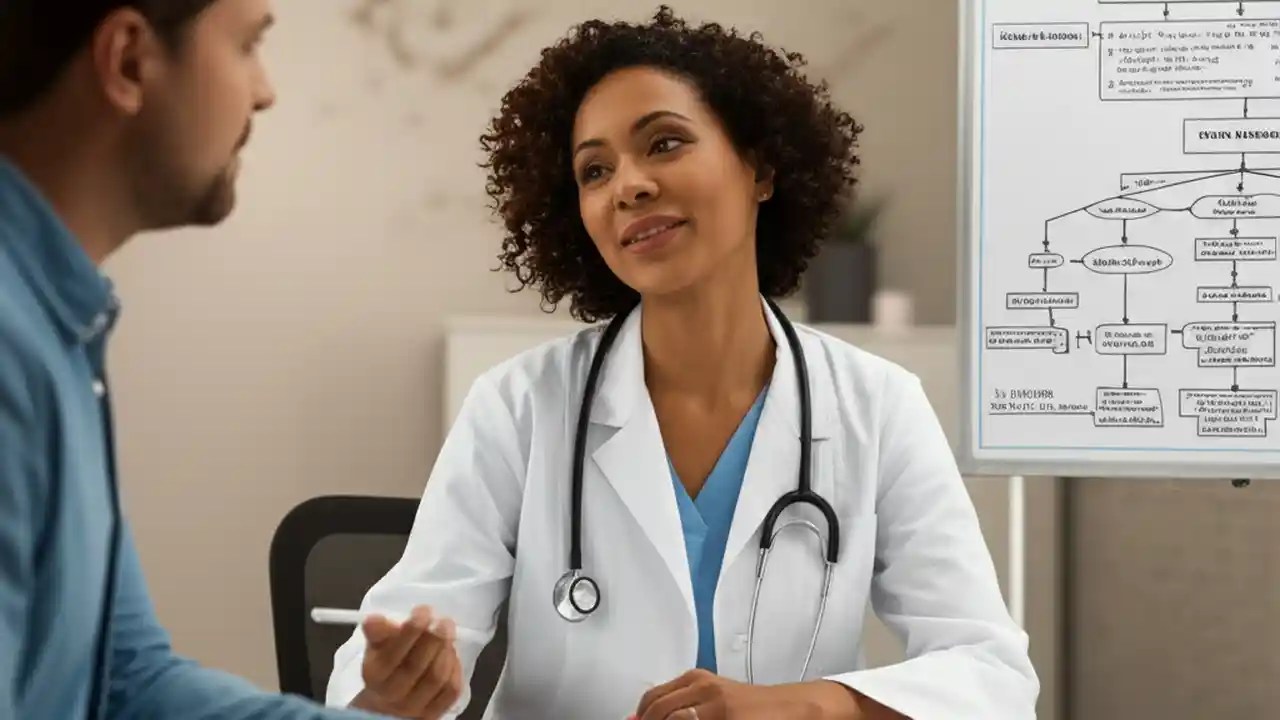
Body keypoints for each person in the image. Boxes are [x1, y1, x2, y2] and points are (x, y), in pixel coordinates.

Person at [327, 7, 1039, 719]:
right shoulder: (520, 406)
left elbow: (991, 674)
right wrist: (393, 688)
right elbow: (387, 653)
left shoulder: (877, 406)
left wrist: (799, 708)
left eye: (664, 143)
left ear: (759, 166)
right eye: (594, 170)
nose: (627, 186)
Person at [0, 1, 395, 718]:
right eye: (247, 45)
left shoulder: (58, 330)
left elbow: (130, 680)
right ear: (127, 61)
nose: (265, 90)